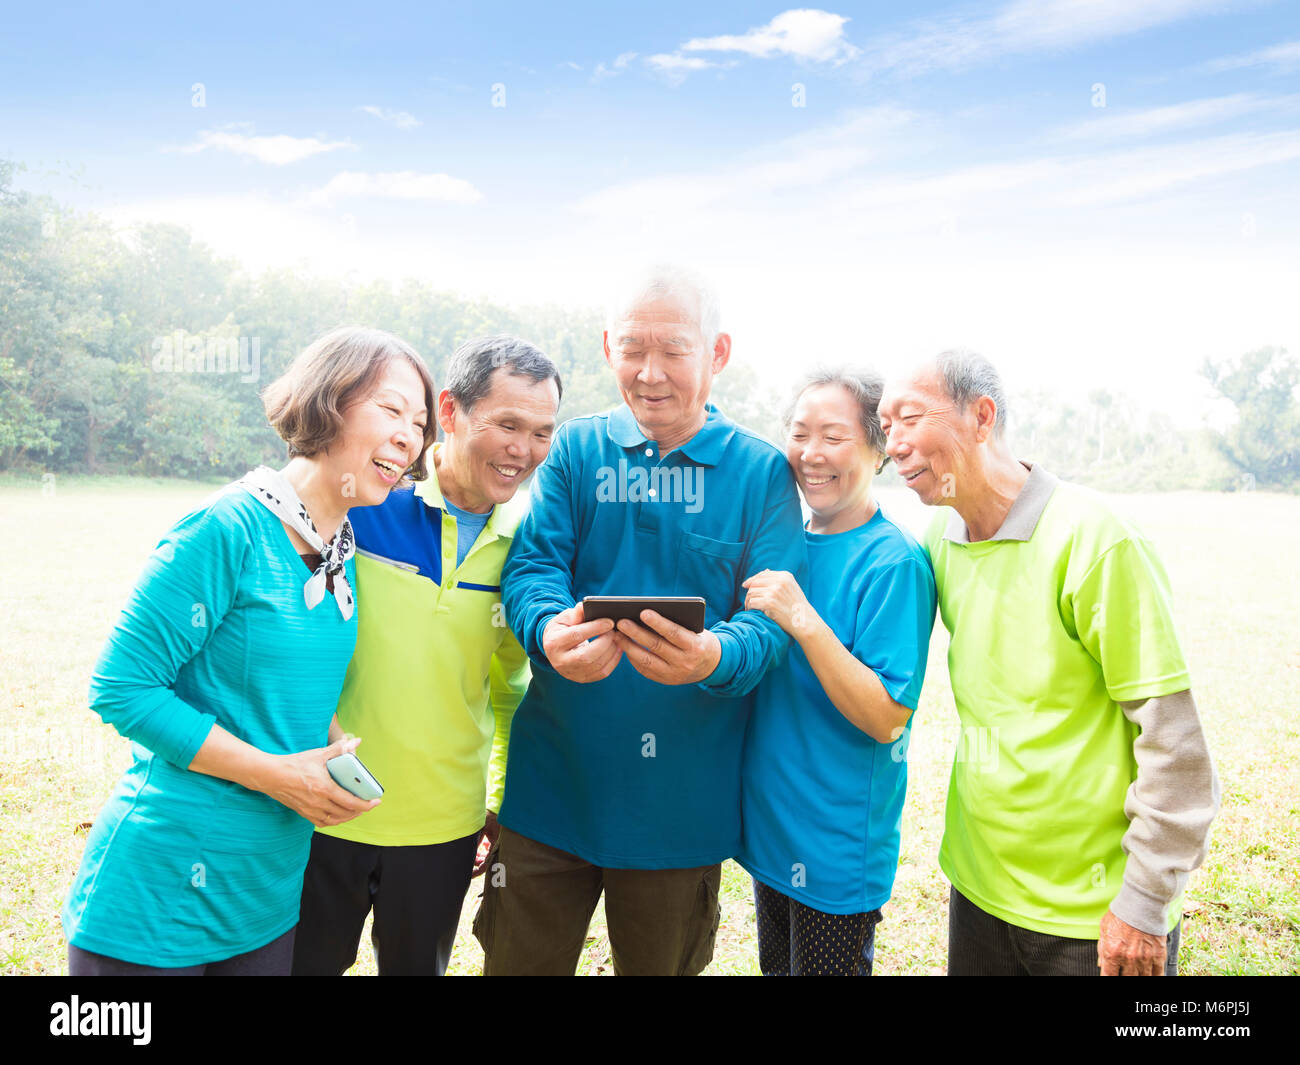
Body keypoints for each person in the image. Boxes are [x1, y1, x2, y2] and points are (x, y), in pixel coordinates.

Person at [61, 326, 436, 975]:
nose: (411, 435)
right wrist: (278, 774)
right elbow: (122, 687)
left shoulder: (340, 550)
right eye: (392, 409)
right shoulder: (226, 528)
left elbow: (286, 689)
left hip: (265, 901)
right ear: (329, 399)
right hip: (158, 896)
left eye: (421, 421)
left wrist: (332, 742)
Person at [476, 265, 807, 976]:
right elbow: (534, 568)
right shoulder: (576, 448)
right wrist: (546, 632)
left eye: (674, 351)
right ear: (606, 347)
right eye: (631, 348)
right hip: (551, 790)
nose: (649, 373)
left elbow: (772, 622)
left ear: (717, 353)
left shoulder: (763, 474)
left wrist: (715, 655)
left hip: (680, 812)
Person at [879, 349, 1220, 977]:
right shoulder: (941, 541)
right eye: (884, 427)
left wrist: (1143, 905)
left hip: (1092, 916)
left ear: (982, 416)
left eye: (909, 418)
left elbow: (1176, 747)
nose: (893, 445)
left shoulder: (1096, 539)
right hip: (979, 891)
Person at [292, 335, 561, 976]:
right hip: (322, 809)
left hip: (445, 830)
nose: (523, 450)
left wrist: (495, 799)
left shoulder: (526, 549)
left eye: (543, 432)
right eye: (507, 424)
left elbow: (508, 687)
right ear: (450, 410)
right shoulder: (363, 505)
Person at [738, 369, 936, 976]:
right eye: (799, 434)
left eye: (834, 436)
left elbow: (885, 718)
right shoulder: (783, 544)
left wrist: (804, 619)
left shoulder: (894, 561)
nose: (811, 454)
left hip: (833, 850)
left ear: (878, 450)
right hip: (770, 835)